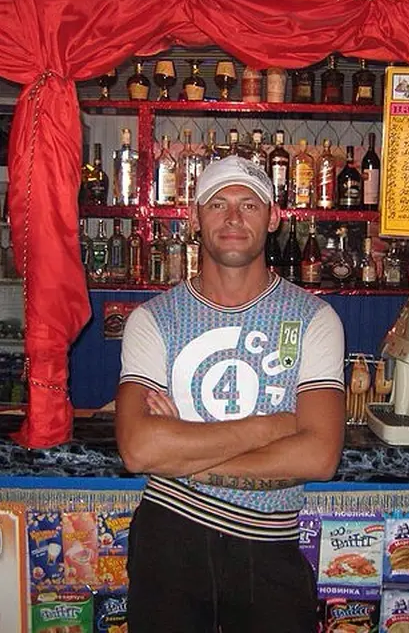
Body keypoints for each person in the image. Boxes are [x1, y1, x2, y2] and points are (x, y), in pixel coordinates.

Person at [116, 155, 345, 633]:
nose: (234, 217)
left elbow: (319, 455)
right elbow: (138, 449)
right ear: (194, 217)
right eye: (218, 204)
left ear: (274, 217)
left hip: (269, 546)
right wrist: (273, 426)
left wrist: (184, 454)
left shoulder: (314, 319)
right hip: (169, 542)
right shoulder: (153, 319)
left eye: (250, 205)